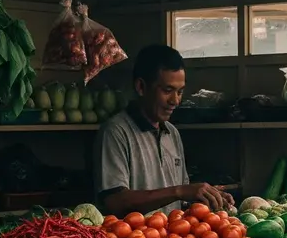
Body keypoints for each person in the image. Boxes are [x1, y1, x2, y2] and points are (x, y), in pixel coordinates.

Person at [94, 44, 234, 216]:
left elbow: (181, 201)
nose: (175, 100)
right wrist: (180, 191)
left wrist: (208, 197)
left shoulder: (172, 133)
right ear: (141, 87)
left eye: (180, 92)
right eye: (168, 90)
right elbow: (115, 201)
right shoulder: (116, 132)